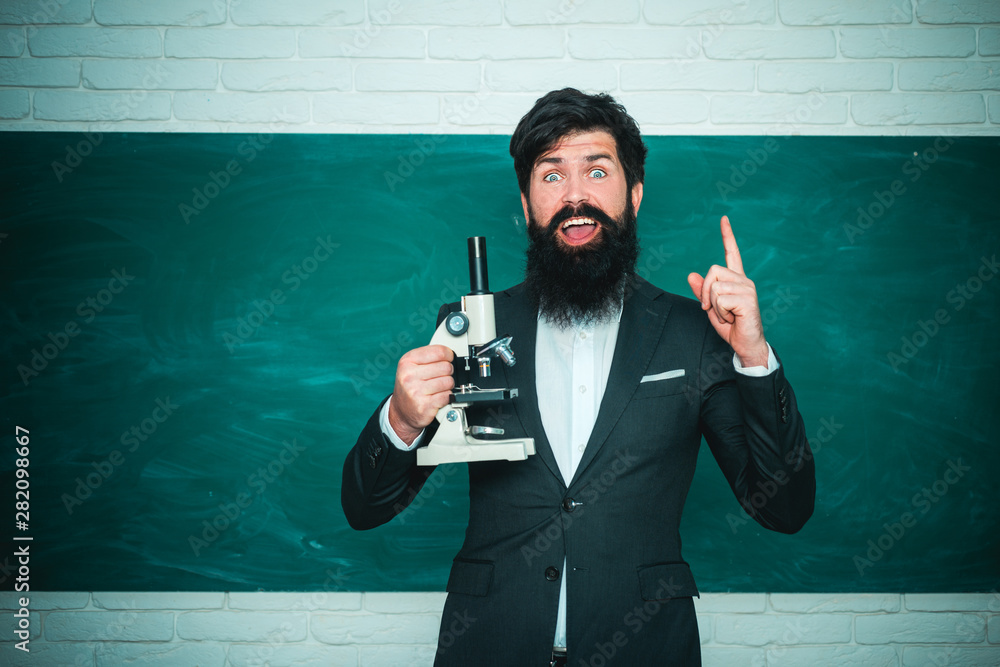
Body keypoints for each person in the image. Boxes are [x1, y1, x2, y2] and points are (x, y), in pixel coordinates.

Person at [342, 88, 815, 666]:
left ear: (634, 195)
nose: (575, 197)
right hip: (490, 645)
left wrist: (753, 354)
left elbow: (785, 508)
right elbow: (365, 510)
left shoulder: (695, 332)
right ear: (525, 204)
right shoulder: (474, 327)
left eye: (596, 170)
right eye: (551, 176)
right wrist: (401, 420)